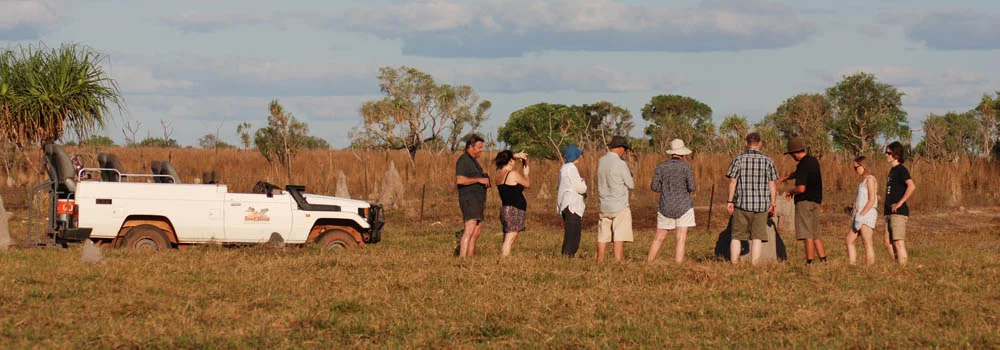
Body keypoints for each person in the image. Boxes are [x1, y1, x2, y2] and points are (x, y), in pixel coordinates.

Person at [725, 132, 778, 265]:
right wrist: (772, 203)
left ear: (746, 143)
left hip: (742, 204)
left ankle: (734, 263)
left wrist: (730, 201)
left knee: (736, 236)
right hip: (761, 206)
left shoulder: (738, 159)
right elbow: (772, 184)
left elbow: (732, 181)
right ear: (760, 143)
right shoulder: (768, 160)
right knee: (757, 237)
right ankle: (754, 264)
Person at [777, 138, 827, 264]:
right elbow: (799, 173)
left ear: (794, 153)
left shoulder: (803, 164)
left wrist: (790, 192)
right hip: (816, 202)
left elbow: (801, 188)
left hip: (804, 203)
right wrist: (787, 177)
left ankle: (809, 262)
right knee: (815, 233)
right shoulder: (812, 161)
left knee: (807, 234)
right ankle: (823, 260)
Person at [647, 139, 696, 264]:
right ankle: (678, 265)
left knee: (658, 238)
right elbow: (692, 187)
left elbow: (654, 187)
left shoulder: (661, 167)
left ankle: (649, 262)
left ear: (671, 152)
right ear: (683, 154)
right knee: (681, 238)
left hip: (665, 205)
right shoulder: (686, 167)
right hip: (684, 205)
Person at [597, 135, 635, 262]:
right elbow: (630, 184)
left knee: (602, 235)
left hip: (604, 204)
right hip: (619, 205)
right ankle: (617, 261)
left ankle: (600, 260)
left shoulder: (601, 161)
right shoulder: (621, 163)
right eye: (624, 149)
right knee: (619, 234)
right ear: (619, 148)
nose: (624, 152)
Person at [455, 134, 489, 257]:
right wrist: (478, 180)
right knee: (469, 229)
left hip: (478, 200)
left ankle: (470, 256)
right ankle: (462, 258)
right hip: (469, 199)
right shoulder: (463, 160)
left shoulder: (473, 161)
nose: (481, 150)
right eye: (479, 147)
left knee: (477, 230)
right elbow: (460, 180)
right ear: (470, 147)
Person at [883, 141, 916, 266]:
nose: (886, 155)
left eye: (888, 153)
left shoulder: (901, 169)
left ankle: (903, 269)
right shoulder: (892, 171)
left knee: (898, 241)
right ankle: (896, 265)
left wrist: (900, 203)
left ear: (896, 155)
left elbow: (911, 186)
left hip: (899, 213)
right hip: (889, 212)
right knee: (887, 242)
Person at [495, 150, 530, 257]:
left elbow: (503, 160)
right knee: (510, 239)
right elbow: (527, 184)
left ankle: (504, 257)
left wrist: (514, 155)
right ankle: (504, 260)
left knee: (507, 237)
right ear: (510, 161)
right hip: (514, 210)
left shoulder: (498, 173)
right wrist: (526, 174)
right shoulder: (512, 174)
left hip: (505, 209)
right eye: (513, 160)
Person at [846, 156, 878, 266]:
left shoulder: (870, 180)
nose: (855, 170)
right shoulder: (862, 181)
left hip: (867, 215)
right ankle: (852, 264)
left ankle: (870, 267)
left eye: (857, 167)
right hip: (858, 215)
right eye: (854, 168)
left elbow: (872, 199)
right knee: (849, 240)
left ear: (863, 166)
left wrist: (862, 214)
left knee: (867, 242)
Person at [557, 145, 587, 257]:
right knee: (574, 232)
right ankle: (568, 255)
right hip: (572, 205)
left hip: (565, 204)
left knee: (570, 231)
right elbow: (580, 188)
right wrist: (584, 183)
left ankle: (567, 254)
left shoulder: (563, 168)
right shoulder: (572, 168)